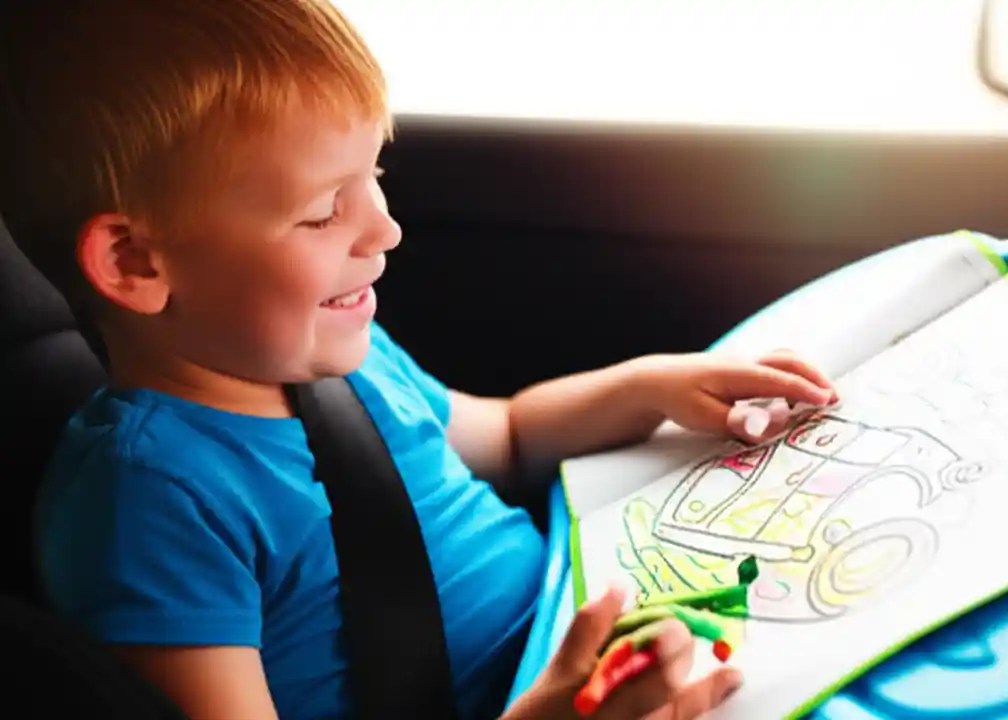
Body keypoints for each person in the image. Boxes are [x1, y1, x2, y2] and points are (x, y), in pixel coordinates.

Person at [0, 2, 837, 718]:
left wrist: (652, 385)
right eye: (326, 209)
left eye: (377, 174)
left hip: (592, 634)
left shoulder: (338, 366)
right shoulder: (145, 502)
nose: (385, 229)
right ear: (137, 263)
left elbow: (507, 434)